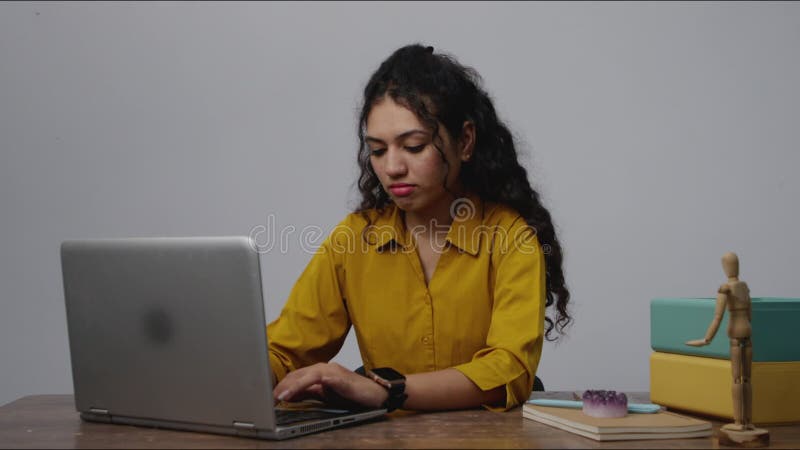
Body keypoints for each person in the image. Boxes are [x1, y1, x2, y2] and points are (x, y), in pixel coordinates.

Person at [267, 43, 571, 412]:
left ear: (465, 141)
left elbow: (509, 369)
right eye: (378, 150)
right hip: (385, 435)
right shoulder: (353, 239)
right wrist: (240, 373)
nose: (392, 167)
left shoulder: (510, 238)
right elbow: (285, 351)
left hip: (487, 435)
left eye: (413, 146)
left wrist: (388, 391)